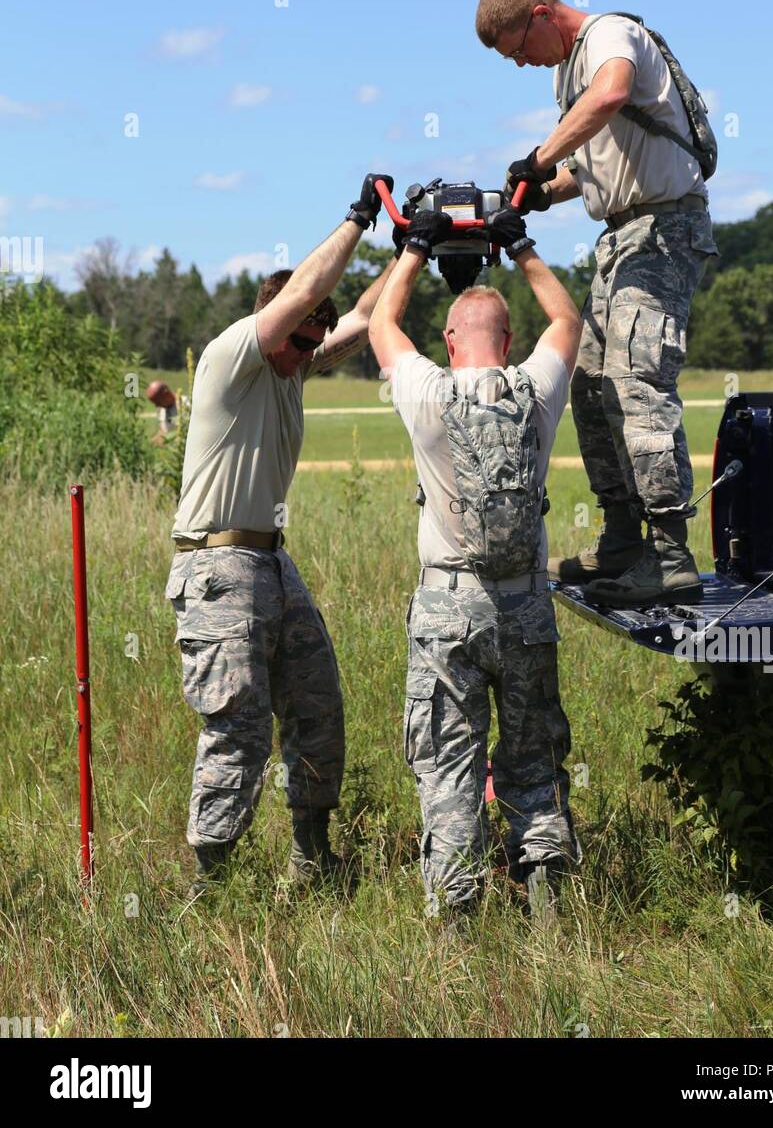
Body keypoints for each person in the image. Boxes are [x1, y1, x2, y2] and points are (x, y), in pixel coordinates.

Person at [165, 175, 394, 896]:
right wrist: (360, 218)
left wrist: (416, 246)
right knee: (239, 731)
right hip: (217, 564)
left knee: (317, 702)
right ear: (273, 322)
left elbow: (360, 315)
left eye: (311, 344)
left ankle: (312, 857)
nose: (308, 354)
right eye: (299, 341)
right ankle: (213, 883)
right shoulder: (235, 355)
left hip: (270, 561)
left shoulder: (292, 363)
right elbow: (305, 297)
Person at [474, 0, 720, 606]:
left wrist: (538, 156)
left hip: (664, 228)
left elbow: (610, 96)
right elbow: (586, 170)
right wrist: (531, 197)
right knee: (588, 385)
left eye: (518, 49)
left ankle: (669, 552)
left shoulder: (612, 35)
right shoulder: (566, 73)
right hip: (618, 235)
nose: (522, 63)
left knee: (639, 380)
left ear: (540, 13)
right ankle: (621, 538)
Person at [368, 205, 583, 921]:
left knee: (450, 770)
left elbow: (380, 327)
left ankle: (456, 923)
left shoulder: (427, 394)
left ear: (449, 340)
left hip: (446, 610)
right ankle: (548, 908)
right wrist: (518, 244)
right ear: (510, 341)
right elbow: (568, 320)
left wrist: (416, 247)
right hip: (524, 606)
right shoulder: (536, 392)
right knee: (533, 764)